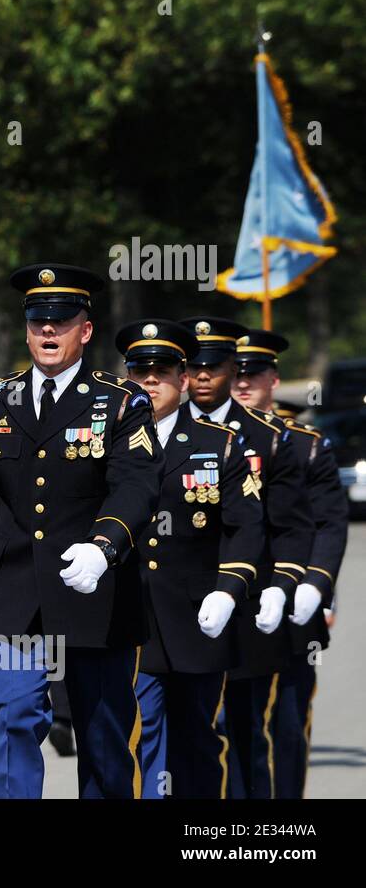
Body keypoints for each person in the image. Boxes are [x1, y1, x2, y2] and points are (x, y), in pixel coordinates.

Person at [0, 264, 162, 799]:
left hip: (95, 589)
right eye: (38, 321)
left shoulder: (121, 402)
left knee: (104, 736)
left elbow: (137, 486)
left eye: (62, 322)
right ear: (26, 329)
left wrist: (105, 545)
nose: (49, 332)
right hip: (15, 590)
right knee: (10, 716)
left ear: (85, 330)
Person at [116, 319, 263, 799]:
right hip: (127, 619)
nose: (151, 380)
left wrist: (229, 590)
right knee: (139, 734)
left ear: (183, 377)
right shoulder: (104, 444)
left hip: (197, 620)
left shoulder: (216, 444)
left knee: (197, 741)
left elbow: (246, 525)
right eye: (141, 370)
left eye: (163, 370)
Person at [178, 317, 313, 799]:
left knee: (246, 731)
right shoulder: (164, 431)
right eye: (194, 367)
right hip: (184, 606)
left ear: (232, 369)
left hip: (250, 608)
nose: (203, 376)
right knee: (187, 734)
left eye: (214, 367)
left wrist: (283, 586)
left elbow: (292, 526)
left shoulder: (271, 437)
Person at [232, 329, 348, 798]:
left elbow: (327, 525)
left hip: (292, 610)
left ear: (273, 378)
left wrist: (318, 588)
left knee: (286, 723)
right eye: (233, 373)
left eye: (253, 374)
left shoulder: (304, 444)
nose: (242, 384)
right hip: (229, 607)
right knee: (230, 727)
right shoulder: (200, 439)